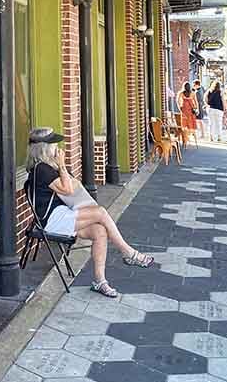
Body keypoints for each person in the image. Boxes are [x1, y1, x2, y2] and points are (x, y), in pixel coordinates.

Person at [24, 127, 154, 299]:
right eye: (54, 144)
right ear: (44, 148)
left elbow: (74, 185)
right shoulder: (41, 169)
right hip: (51, 220)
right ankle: (128, 252)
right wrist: (62, 165)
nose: (57, 147)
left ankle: (100, 281)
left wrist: (61, 168)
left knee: (100, 231)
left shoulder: (49, 167)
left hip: (63, 215)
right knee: (100, 212)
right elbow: (69, 190)